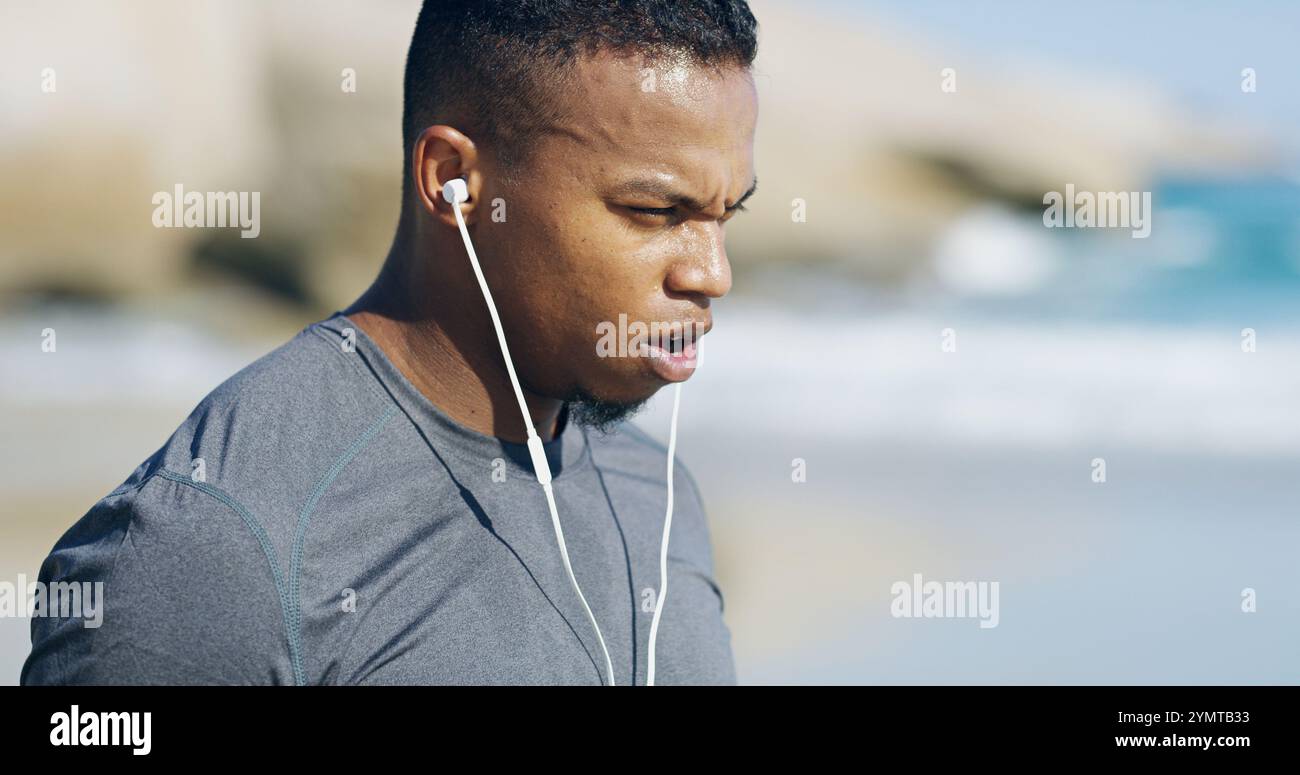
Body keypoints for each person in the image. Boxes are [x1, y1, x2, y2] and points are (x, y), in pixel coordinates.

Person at [23, 0, 759, 685]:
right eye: (657, 210)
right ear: (453, 182)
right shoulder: (216, 548)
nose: (712, 274)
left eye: (726, 214)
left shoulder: (657, 493)